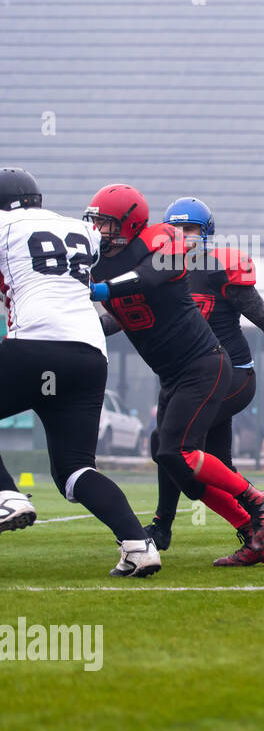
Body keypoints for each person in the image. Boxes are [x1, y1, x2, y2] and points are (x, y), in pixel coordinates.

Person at [85, 184, 264, 566]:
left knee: (182, 451)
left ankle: (259, 501)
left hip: (205, 364)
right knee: (173, 460)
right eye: (95, 222)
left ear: (130, 223)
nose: (99, 231)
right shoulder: (100, 262)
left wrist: (99, 288)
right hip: (173, 374)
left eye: (106, 223)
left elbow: (149, 277)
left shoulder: (161, 241)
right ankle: (255, 534)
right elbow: (115, 316)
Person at [0, 167, 160, 576]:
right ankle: (139, 545)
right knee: (75, 470)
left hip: (35, 345)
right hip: (89, 354)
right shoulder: (81, 230)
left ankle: (8, 495)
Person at [144, 197, 264, 553]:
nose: (183, 237)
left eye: (190, 229)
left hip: (231, 375)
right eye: (176, 229)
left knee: (169, 444)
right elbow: (122, 316)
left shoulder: (219, 268)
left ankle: (162, 527)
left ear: (206, 234)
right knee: (214, 462)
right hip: (183, 376)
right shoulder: (158, 270)